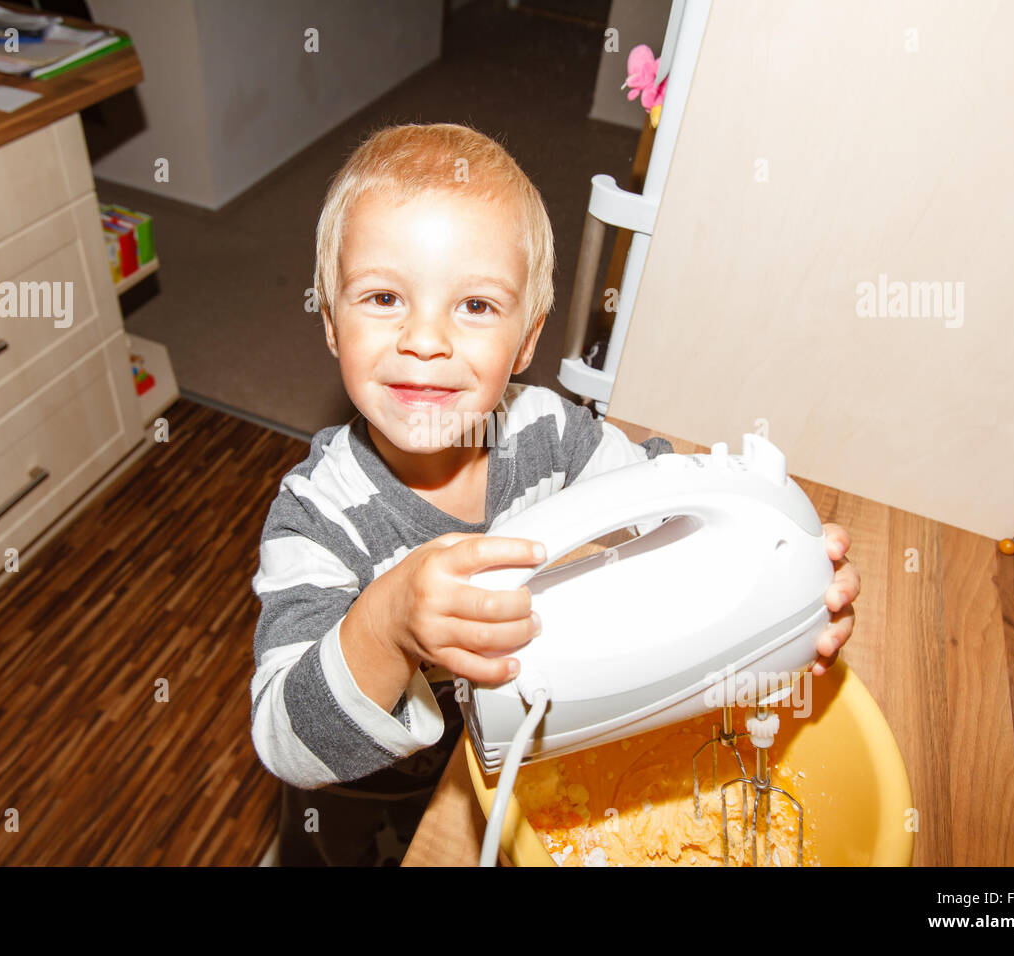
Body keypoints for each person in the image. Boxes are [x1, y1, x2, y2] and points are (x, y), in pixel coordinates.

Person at [250, 122, 860, 866]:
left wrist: (785, 587)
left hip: (529, 774)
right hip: (368, 817)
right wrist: (389, 627)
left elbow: (663, 497)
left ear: (529, 339)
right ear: (330, 324)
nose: (425, 338)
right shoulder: (314, 519)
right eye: (383, 297)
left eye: (475, 306)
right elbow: (284, 738)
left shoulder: (551, 433)